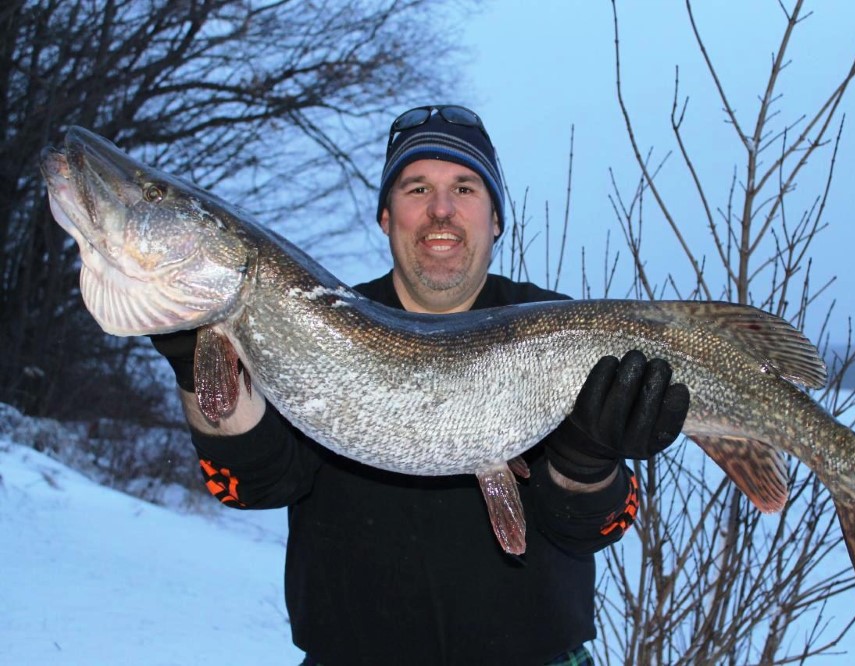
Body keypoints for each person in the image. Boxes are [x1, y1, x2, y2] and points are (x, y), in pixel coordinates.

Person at [151, 105, 690, 665]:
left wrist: (585, 461)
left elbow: (594, 528)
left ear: (496, 219)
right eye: (416, 189)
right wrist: (196, 369)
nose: (441, 210)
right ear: (386, 217)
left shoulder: (559, 328)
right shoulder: (318, 322)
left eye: (464, 187)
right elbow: (252, 486)